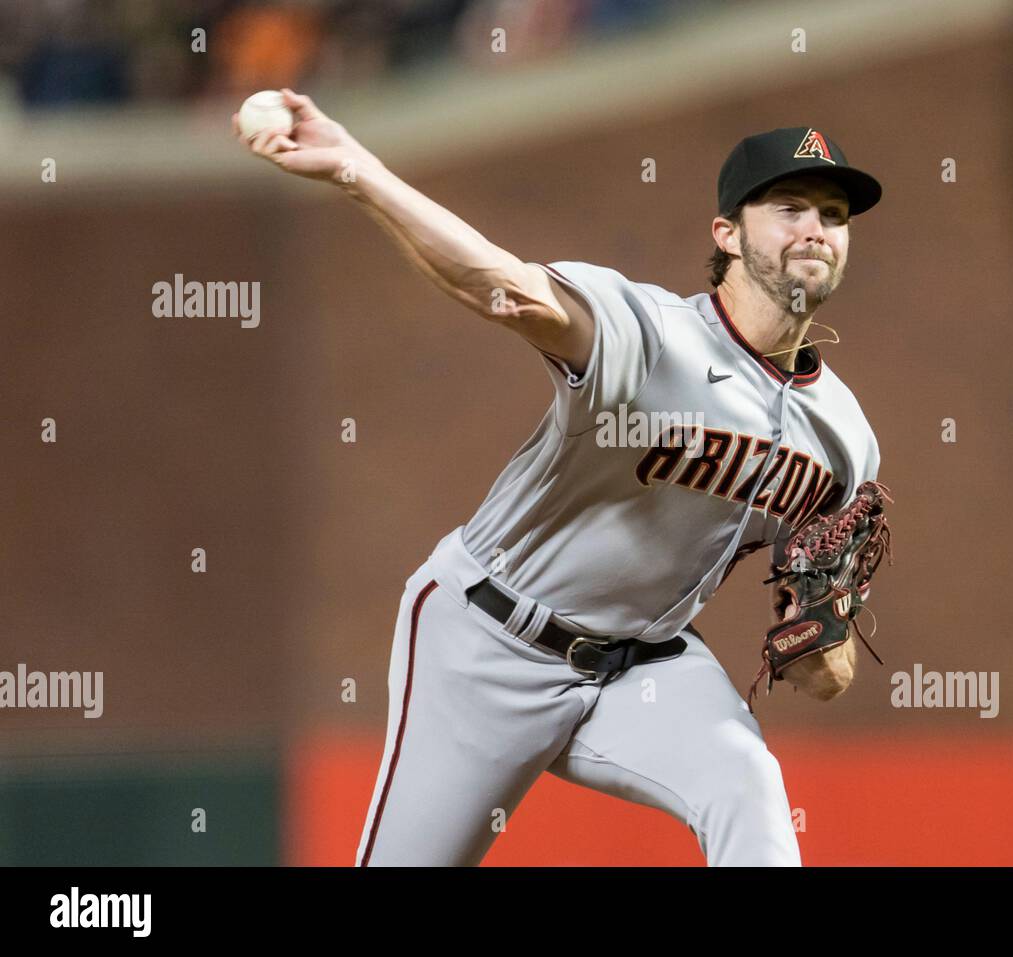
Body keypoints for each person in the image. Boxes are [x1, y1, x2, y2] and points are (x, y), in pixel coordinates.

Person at [236, 92, 884, 866]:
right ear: (728, 233)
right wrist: (356, 169)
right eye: (789, 207)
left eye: (834, 214)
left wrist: (822, 630)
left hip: (646, 663)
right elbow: (501, 287)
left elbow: (823, 673)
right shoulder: (650, 334)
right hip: (489, 636)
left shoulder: (843, 437)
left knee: (748, 783)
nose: (816, 228)